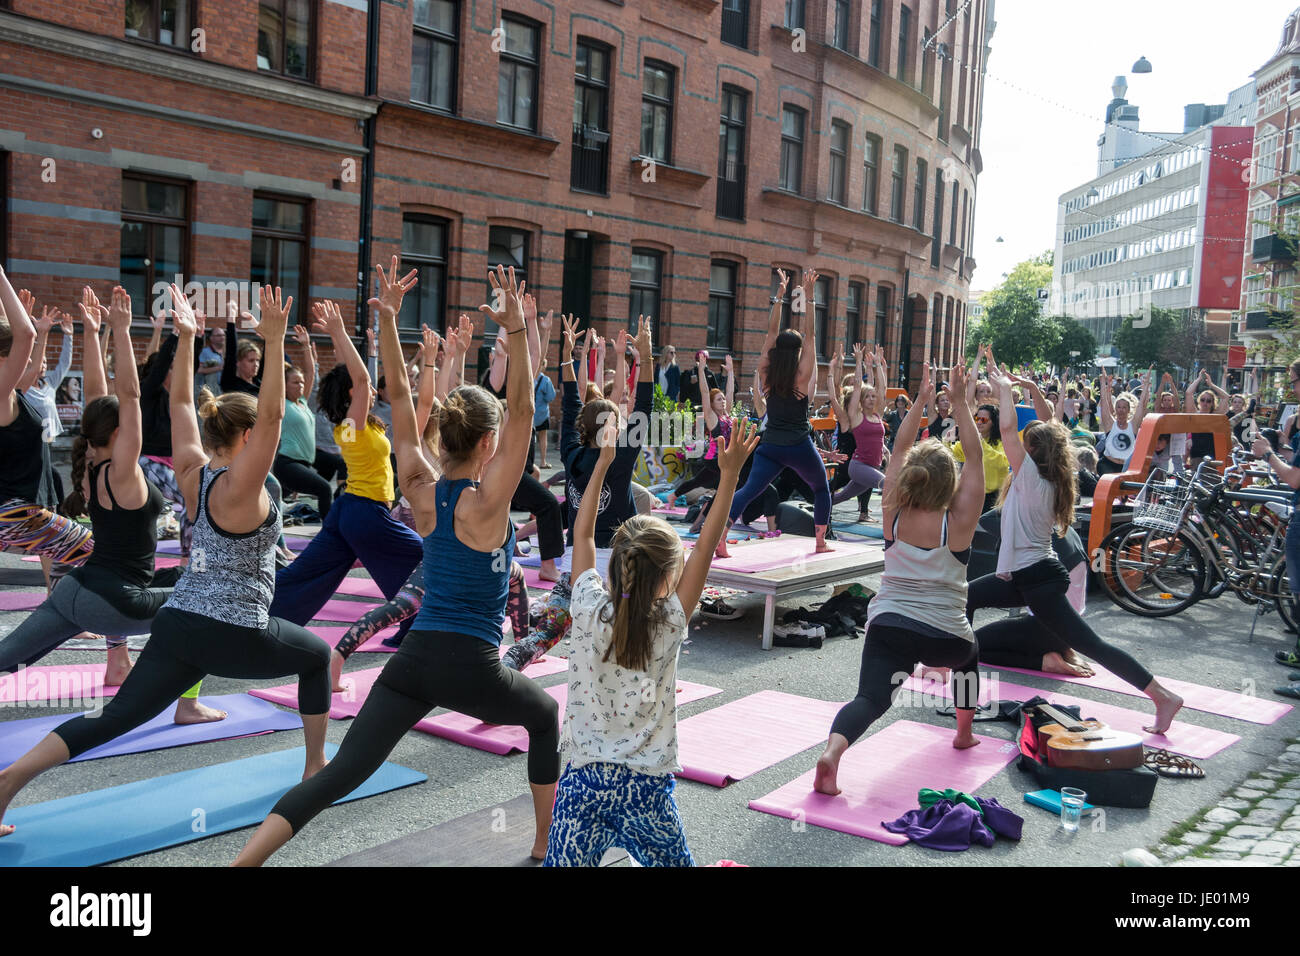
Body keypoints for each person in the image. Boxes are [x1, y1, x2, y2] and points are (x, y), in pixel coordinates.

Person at [233, 262, 560, 866]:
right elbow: (521, 414)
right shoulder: (489, 505)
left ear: (447, 442)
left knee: (338, 776)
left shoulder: (419, 486)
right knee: (543, 717)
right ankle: (543, 846)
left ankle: (242, 864)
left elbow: (405, 402)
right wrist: (516, 330)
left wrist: (386, 317)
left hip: (413, 664)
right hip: (473, 669)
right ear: (487, 446)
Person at [0, 283, 333, 839]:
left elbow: (180, 404)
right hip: (233, 630)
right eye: (260, 438)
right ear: (248, 438)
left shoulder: (193, 473)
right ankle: (316, 765)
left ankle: (9, 781)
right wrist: (275, 342)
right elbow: (272, 417)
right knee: (318, 657)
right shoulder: (239, 488)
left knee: (113, 718)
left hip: (179, 623)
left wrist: (184, 339)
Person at [546, 414, 759, 866]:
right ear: (668, 576)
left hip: (584, 783)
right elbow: (705, 544)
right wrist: (730, 475)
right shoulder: (670, 620)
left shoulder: (585, 606)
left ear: (616, 564)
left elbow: (581, 532)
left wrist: (602, 464)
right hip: (645, 788)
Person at [966, 364, 1184, 734]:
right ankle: (955, 677)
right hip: (1024, 575)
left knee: (1093, 644)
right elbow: (1051, 426)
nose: (1018, 440)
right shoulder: (1052, 474)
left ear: (1032, 449)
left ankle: (1162, 695)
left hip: (1037, 578)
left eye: (1025, 439)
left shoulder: (1033, 478)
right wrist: (1032, 386)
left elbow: (1006, 429)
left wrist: (1003, 388)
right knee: (966, 597)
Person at [814, 362, 986, 796]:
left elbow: (902, 442)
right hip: (947, 636)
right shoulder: (959, 523)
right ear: (950, 484)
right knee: (969, 659)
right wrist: (960, 403)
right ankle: (963, 732)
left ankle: (833, 753)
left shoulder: (892, 511)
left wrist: (923, 399)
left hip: (890, 625)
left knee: (870, 700)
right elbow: (977, 456)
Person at [266, 298, 423, 634]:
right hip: (364, 513)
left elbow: (357, 377)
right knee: (426, 558)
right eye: (357, 384)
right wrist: (338, 331)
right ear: (352, 392)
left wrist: (339, 338)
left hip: (351, 512)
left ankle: (258, 611)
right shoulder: (352, 426)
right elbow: (363, 380)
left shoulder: (356, 425)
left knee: (305, 573)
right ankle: (418, 629)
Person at [721, 269, 832, 556]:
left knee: (747, 492)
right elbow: (812, 334)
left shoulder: (766, 372)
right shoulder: (802, 376)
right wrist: (808, 297)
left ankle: (720, 540)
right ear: (797, 353)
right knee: (821, 489)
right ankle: (820, 543)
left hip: (769, 446)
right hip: (797, 445)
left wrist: (780, 297)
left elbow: (771, 332)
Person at [0, 271, 92, 579]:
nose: (29, 360)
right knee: (97, 553)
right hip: (11, 513)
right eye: (16, 354)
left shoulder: (14, 393)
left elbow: (29, 349)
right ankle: (66, 618)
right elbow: (23, 337)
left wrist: (31, 327)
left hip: (21, 509)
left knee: (66, 557)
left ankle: (65, 621)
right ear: (4, 358)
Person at [272, 326, 333, 521]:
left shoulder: (304, 403)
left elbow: (310, 373)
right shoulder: (282, 404)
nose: (300, 385)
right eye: (294, 382)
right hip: (288, 463)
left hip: (305, 464)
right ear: (284, 385)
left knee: (272, 502)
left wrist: (306, 345)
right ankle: (330, 533)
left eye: (301, 382)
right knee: (324, 489)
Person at [827, 344, 888, 521]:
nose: (871, 399)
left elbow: (882, 390)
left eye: (873, 396)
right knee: (888, 485)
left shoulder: (878, 415)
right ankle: (894, 525)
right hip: (859, 466)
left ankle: (818, 507)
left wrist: (878, 365)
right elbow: (858, 386)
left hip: (873, 466)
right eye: (867, 396)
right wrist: (859, 361)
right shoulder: (856, 417)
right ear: (861, 400)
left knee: (842, 496)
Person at [666, 351, 734, 508]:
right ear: (711, 403)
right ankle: (718, 508)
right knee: (732, 481)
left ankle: (673, 496)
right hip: (715, 459)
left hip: (723, 459)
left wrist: (730, 372)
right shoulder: (711, 416)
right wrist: (702, 370)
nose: (723, 401)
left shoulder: (727, 415)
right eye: (719, 399)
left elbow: (730, 392)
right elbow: (704, 391)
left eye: (723, 399)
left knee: (698, 481)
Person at [1097, 370, 1149, 475]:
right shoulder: (1110, 424)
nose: (1121, 410)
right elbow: (1103, 401)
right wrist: (1103, 382)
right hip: (1107, 464)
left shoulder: (1133, 425)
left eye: (1124, 407)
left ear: (1129, 410)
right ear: (1115, 409)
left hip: (1126, 466)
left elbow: (1142, 404)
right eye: (1119, 407)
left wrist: (1146, 385)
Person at [196, 325, 224, 395]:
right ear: (211, 338)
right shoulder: (204, 352)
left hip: (225, 391)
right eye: (219, 335)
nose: (222, 337)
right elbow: (198, 370)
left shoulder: (228, 353)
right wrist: (219, 368)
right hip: (210, 391)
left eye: (223, 335)